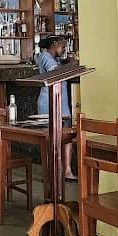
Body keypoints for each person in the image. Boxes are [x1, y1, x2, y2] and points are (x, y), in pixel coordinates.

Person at [37, 35, 77, 182]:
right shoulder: (45, 56)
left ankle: (67, 170)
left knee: (67, 136)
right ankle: (51, 172)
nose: (64, 49)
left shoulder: (57, 59)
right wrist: (71, 64)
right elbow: (56, 72)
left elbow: (60, 64)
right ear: (54, 44)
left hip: (62, 102)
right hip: (48, 102)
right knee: (50, 139)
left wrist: (68, 62)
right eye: (62, 46)